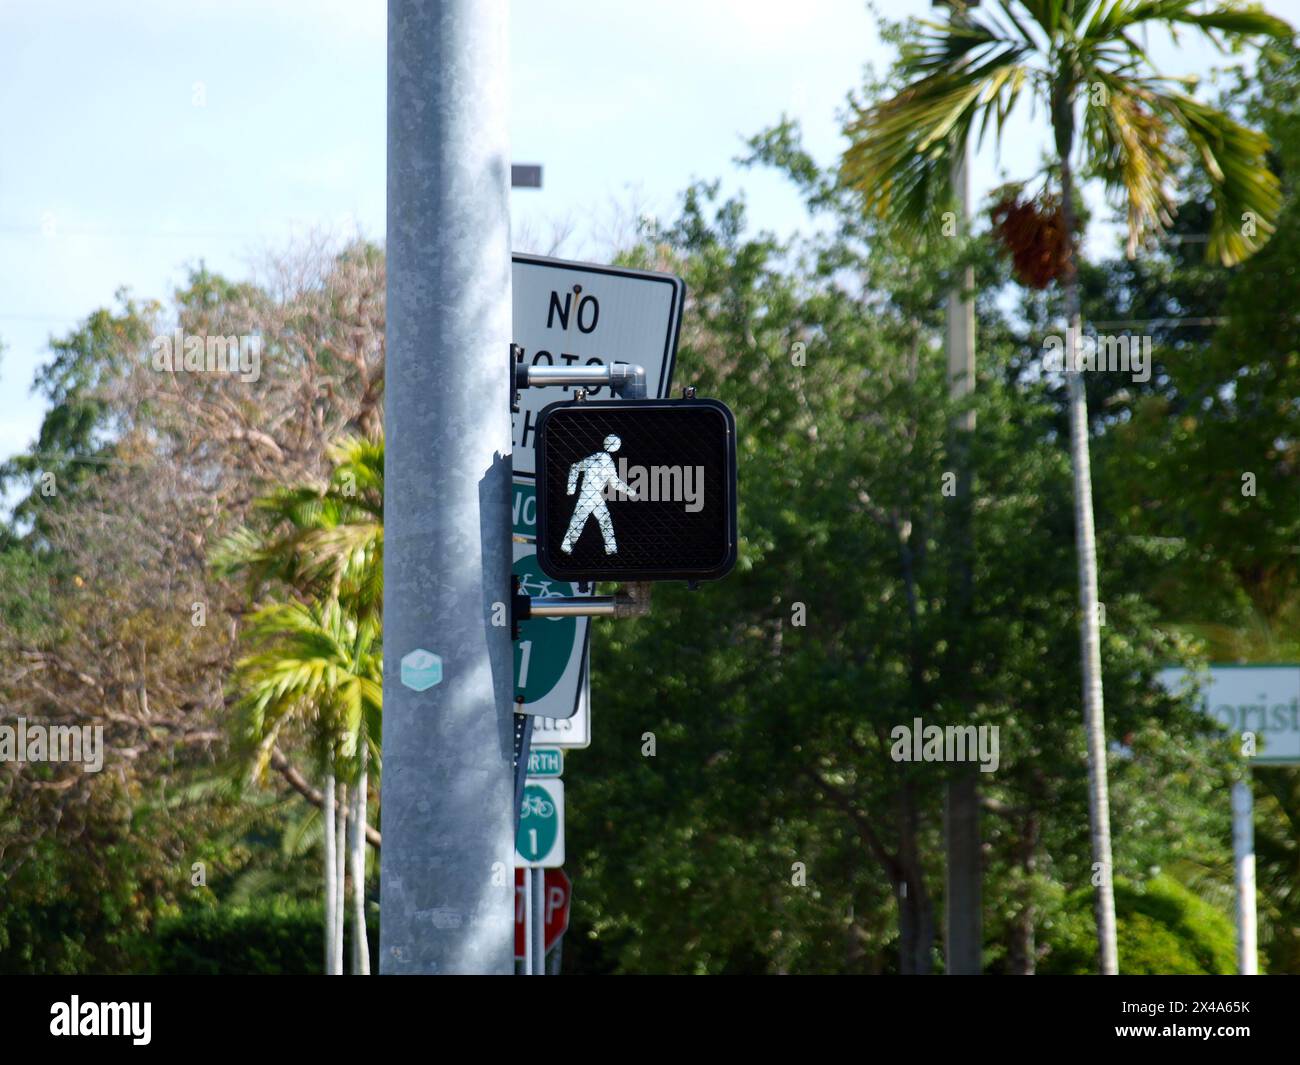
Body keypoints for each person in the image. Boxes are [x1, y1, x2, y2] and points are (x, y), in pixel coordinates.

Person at [560, 434, 637, 554]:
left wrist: (571, 488)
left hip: (593, 497)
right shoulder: (604, 462)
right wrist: (629, 491)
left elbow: (575, 467)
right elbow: (615, 484)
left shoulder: (600, 461)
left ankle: (568, 548)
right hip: (588, 497)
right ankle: (610, 550)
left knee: (588, 522)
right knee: (591, 522)